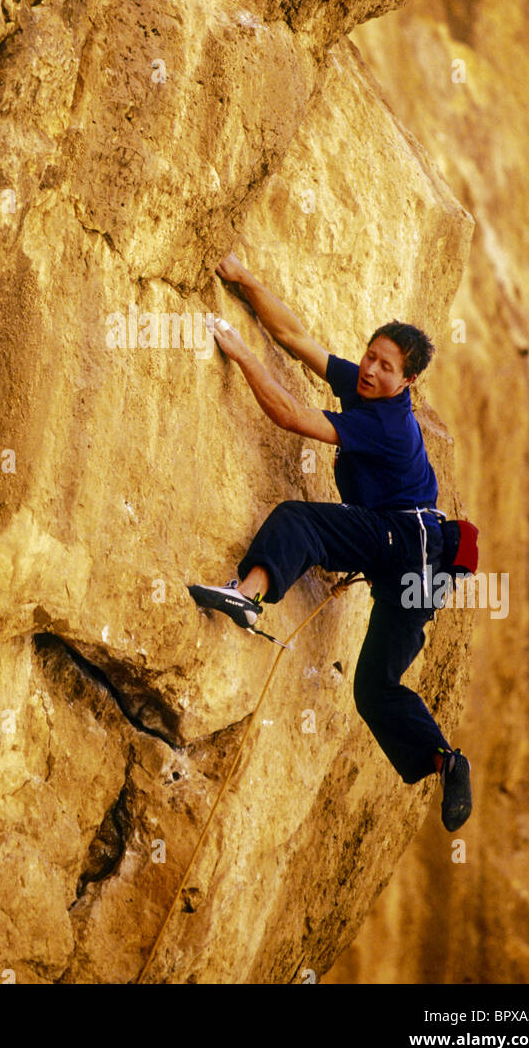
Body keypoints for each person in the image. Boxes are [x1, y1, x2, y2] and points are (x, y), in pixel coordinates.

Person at [187, 251, 472, 832]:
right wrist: (244, 278)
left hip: (403, 543)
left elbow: (292, 416)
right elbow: (296, 338)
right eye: (370, 356)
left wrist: (239, 352)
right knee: (375, 689)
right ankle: (444, 758)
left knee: (301, 521)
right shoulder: (370, 393)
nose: (369, 370)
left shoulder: (385, 422)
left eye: (386, 367)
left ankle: (249, 593)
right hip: (422, 568)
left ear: (408, 382)